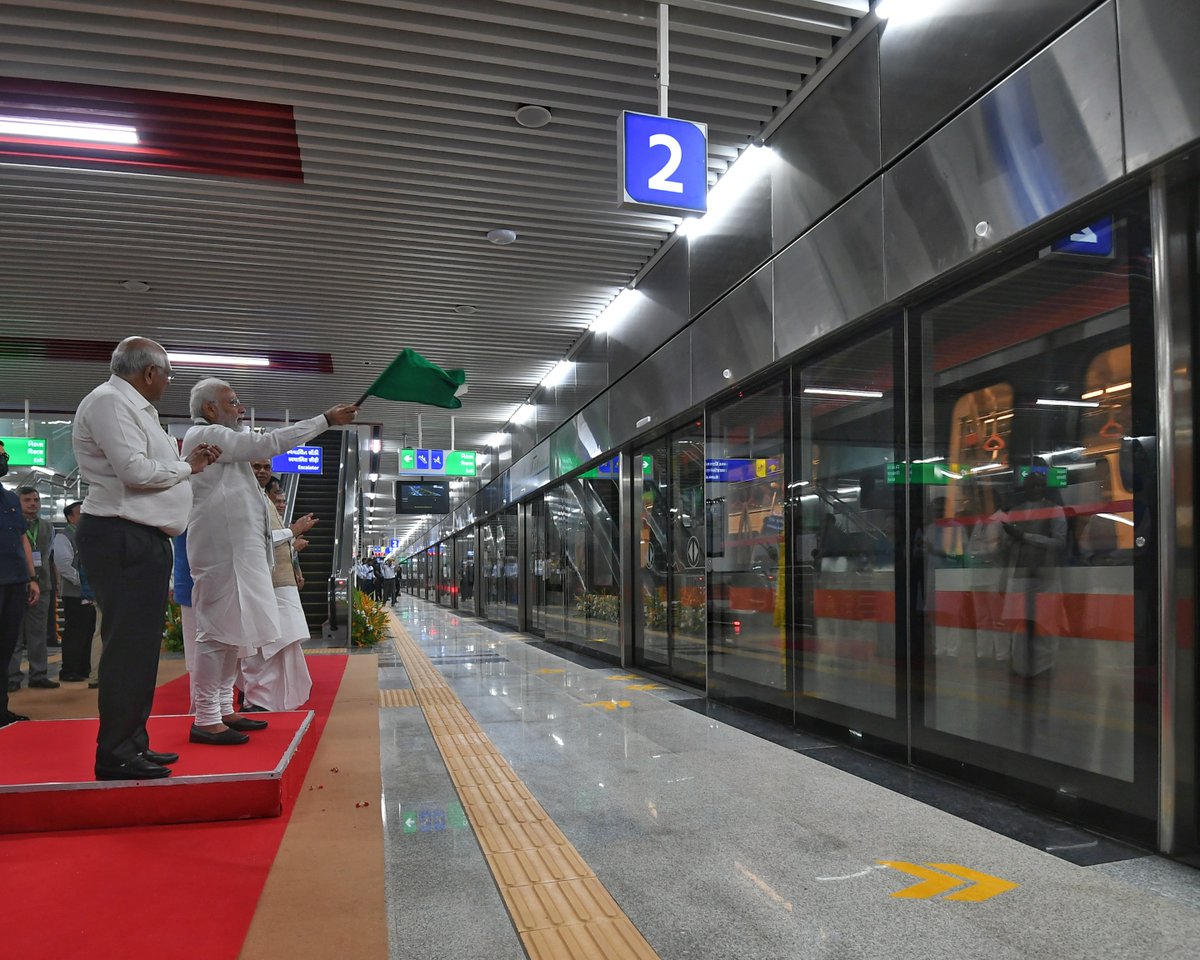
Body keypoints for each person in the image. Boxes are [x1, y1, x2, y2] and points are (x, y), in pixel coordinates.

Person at [74, 337, 220, 780]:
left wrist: (182, 465)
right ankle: (116, 753)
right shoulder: (109, 403)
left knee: (140, 652)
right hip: (121, 535)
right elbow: (135, 472)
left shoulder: (136, 409)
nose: (169, 383)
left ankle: (133, 743)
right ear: (150, 373)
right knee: (127, 650)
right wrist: (187, 467)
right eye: (169, 375)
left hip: (141, 538)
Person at [182, 379, 356, 745]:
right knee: (215, 636)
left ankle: (225, 709)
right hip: (221, 555)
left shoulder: (225, 448)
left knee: (235, 637)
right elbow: (265, 443)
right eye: (233, 402)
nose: (240, 408)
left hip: (241, 557)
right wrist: (325, 419)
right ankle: (206, 716)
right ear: (211, 408)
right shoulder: (207, 435)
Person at [238, 464, 317, 712]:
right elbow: (259, 540)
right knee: (265, 641)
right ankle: (256, 698)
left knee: (283, 641)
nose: (262, 471)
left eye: (266, 466)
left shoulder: (262, 500)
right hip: (265, 584)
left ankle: (272, 699)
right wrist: (294, 530)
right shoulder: (245, 497)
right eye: (256, 466)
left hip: (279, 584)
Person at [0, 441, 37, 727]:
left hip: (15, 582)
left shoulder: (11, 499)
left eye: (4, 455)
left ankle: (2, 711)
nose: (3, 459)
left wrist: (32, 577)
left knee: (7, 648)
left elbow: (22, 538)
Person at [8, 486, 58, 691]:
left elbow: (48, 556)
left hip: (42, 585)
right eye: (27, 500)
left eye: (36, 500)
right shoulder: (10, 525)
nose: (33, 504)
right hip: (16, 584)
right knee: (14, 634)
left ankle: (39, 674)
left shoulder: (46, 526)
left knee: (38, 633)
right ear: (17, 503)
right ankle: (11, 677)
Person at [54, 501, 96, 682]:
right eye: (81, 513)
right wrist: (84, 582)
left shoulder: (89, 535)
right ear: (70, 517)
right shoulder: (63, 537)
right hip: (74, 593)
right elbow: (64, 565)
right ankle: (69, 670)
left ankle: (83, 669)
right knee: (74, 633)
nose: (85, 516)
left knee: (88, 632)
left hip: (91, 594)